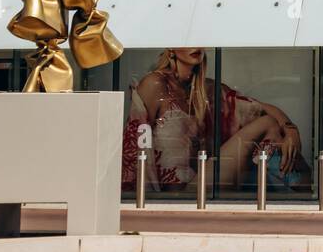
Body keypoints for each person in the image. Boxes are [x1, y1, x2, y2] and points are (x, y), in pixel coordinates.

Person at [122, 48, 311, 193]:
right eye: (188, 40)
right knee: (268, 124)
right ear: (171, 47)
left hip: (201, 183)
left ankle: (301, 191)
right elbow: (136, 144)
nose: (195, 46)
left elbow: (260, 108)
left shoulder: (206, 89)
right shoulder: (155, 84)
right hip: (175, 193)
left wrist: (291, 130)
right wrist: (143, 197)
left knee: (269, 123)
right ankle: (302, 192)